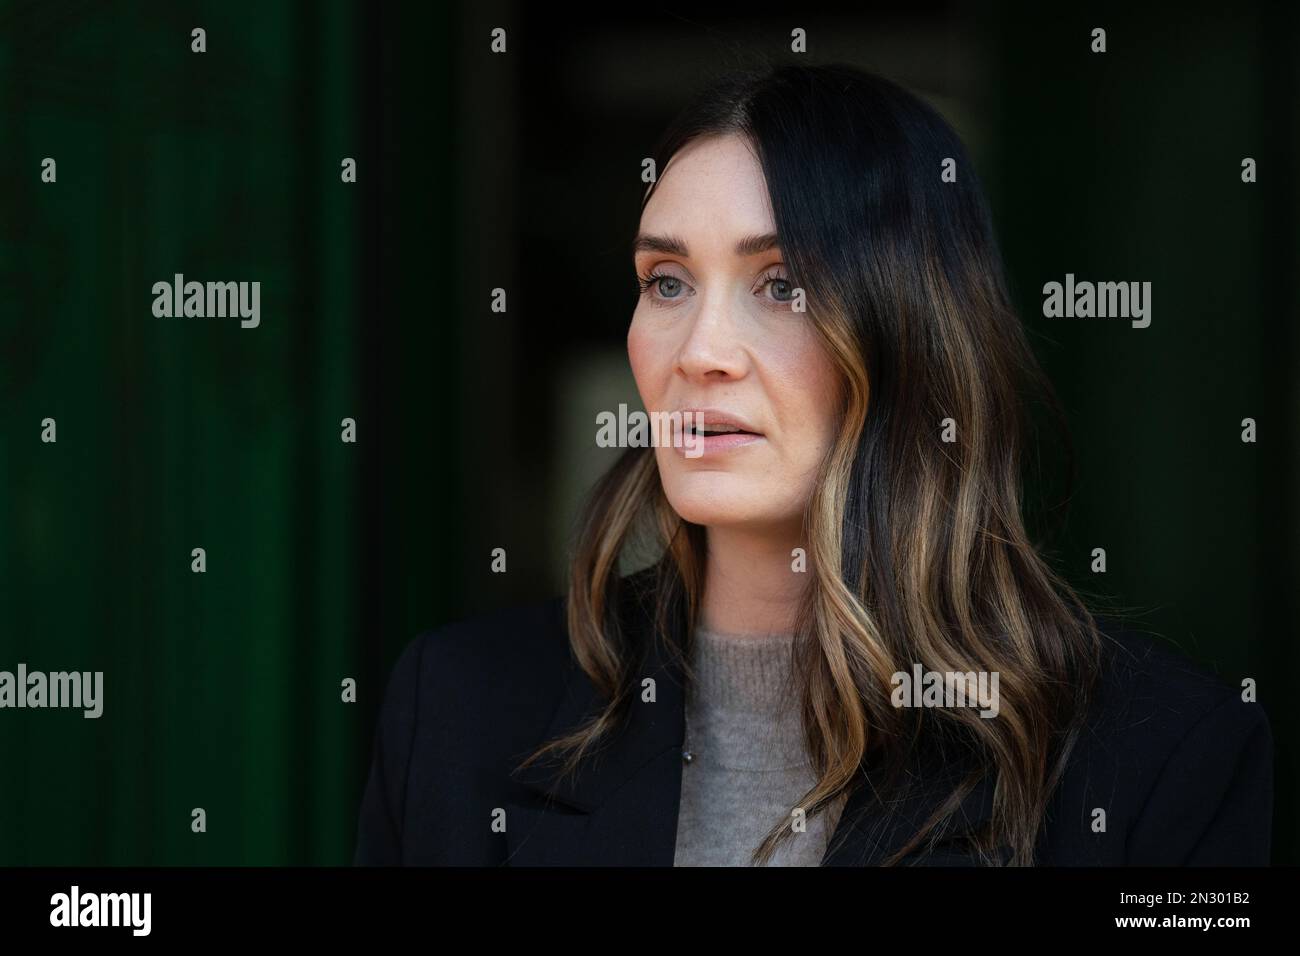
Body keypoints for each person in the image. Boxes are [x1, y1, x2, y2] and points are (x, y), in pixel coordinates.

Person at [354, 63, 1273, 866]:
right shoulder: (461, 708)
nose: (701, 350)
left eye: (782, 284)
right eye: (666, 282)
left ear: (914, 333)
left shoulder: (1157, 756)